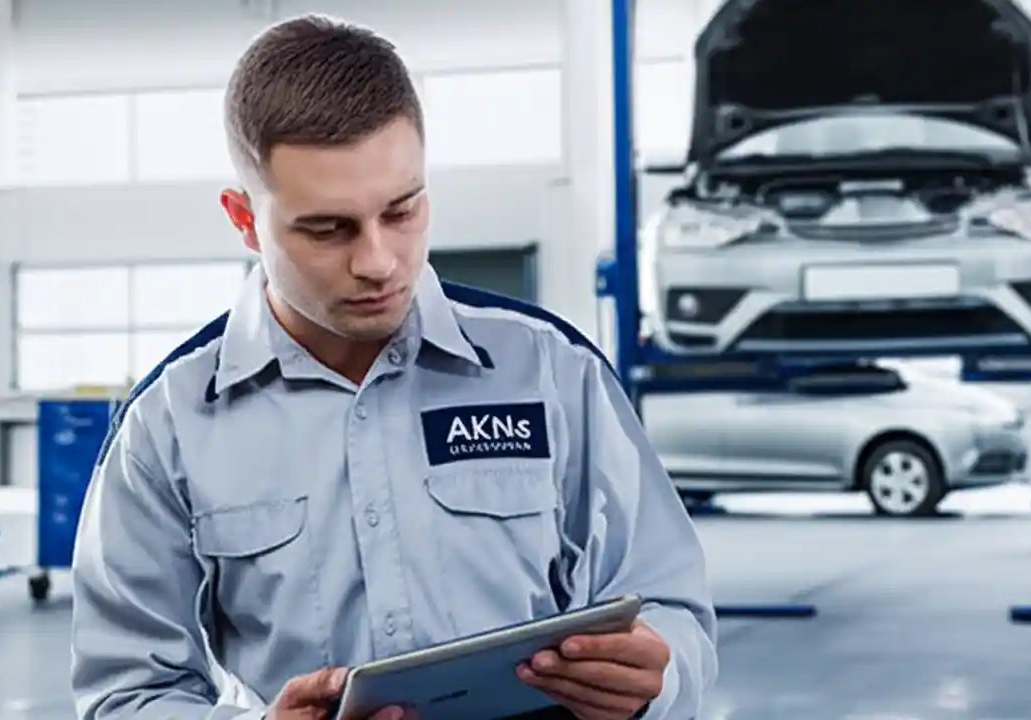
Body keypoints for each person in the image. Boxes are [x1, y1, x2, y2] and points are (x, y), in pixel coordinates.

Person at [70, 13, 717, 720]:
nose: (376, 261)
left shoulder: (553, 374)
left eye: (401, 211)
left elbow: (669, 601)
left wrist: (660, 674)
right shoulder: (167, 426)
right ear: (244, 220)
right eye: (327, 228)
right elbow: (125, 694)